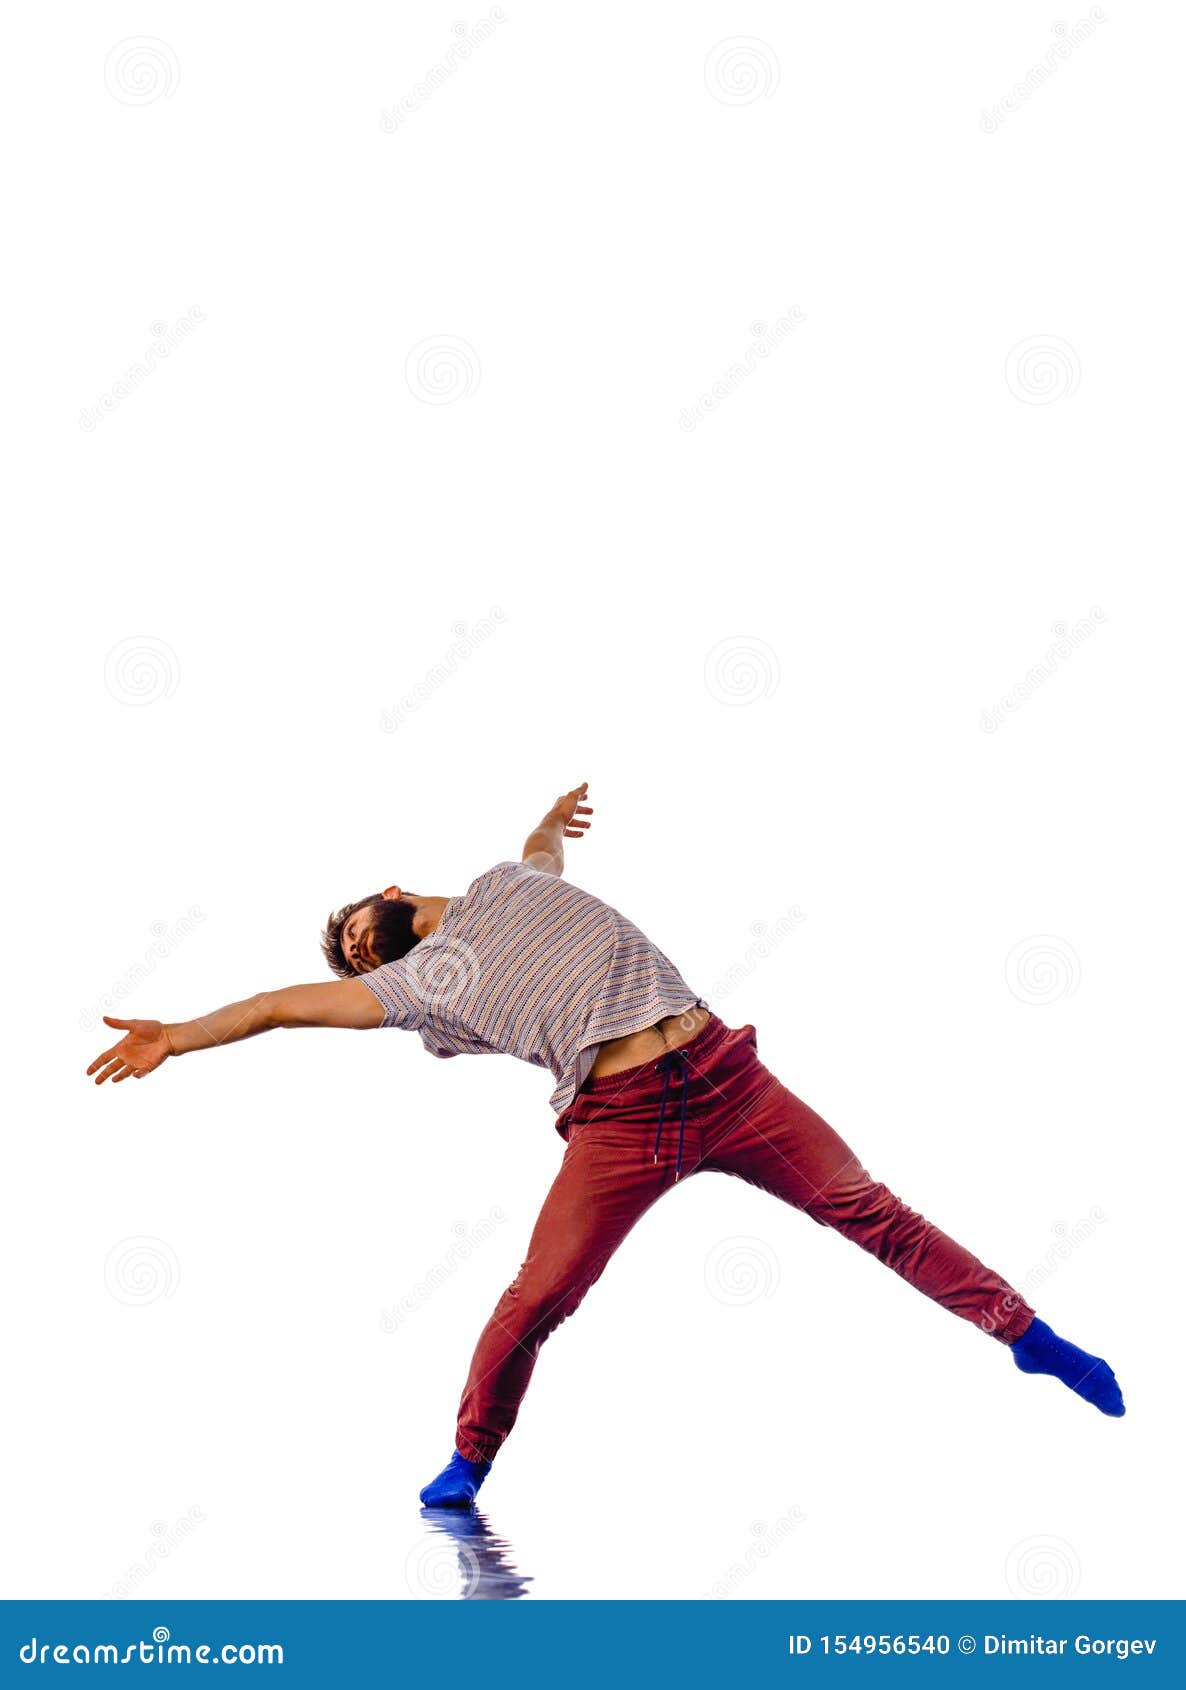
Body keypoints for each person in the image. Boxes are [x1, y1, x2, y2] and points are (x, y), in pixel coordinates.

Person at [87, 781, 1125, 1509]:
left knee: (873, 1213)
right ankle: (466, 1461)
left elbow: (543, 852)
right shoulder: (409, 987)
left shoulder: (504, 880)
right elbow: (278, 1004)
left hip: (727, 1075)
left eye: (362, 928)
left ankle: (1029, 1338)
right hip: (620, 1120)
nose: (361, 949)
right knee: (537, 1297)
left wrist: (544, 819)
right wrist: (177, 1034)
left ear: (395, 894)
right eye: (354, 954)